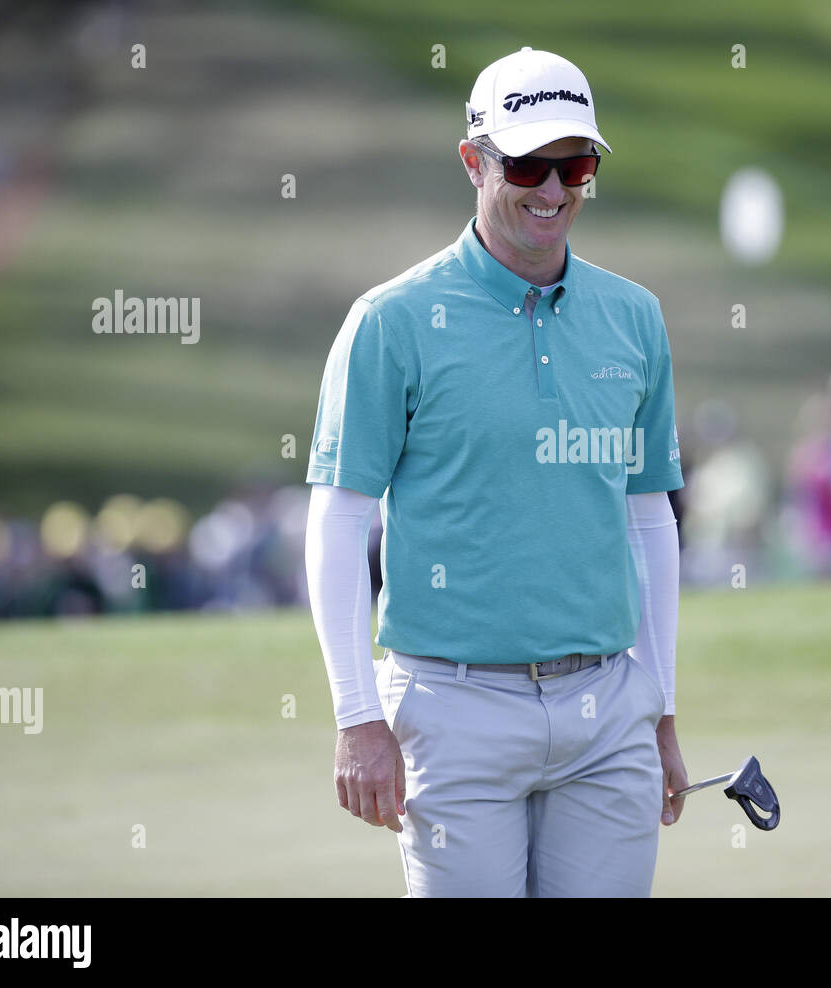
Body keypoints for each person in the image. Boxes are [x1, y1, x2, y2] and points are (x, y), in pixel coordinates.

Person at [303, 47, 687, 897]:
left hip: (608, 706)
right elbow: (337, 523)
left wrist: (660, 708)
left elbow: (649, 520)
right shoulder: (390, 323)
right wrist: (358, 716)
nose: (553, 191)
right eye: (527, 165)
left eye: (575, 164)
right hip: (452, 710)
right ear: (475, 162)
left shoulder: (634, 317)